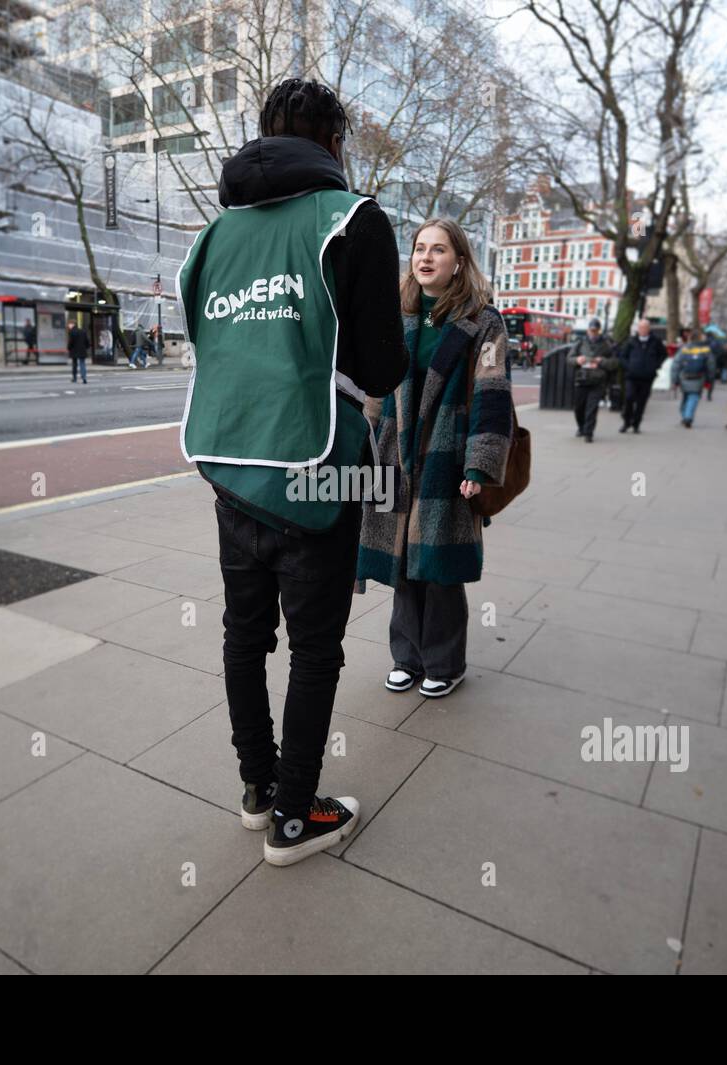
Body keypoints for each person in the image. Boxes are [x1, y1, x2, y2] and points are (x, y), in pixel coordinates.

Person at [178, 77, 407, 866]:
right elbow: (381, 369)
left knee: (245, 635)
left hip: (229, 465)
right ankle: (294, 817)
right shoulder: (353, 219)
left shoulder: (213, 237)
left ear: (265, 137)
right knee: (315, 648)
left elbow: (210, 343)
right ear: (334, 143)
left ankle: (255, 790)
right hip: (314, 467)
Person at [358, 217, 511, 704]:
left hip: (447, 450)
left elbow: (492, 392)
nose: (425, 257)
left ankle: (445, 663)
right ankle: (407, 657)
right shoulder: (396, 312)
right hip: (395, 452)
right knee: (403, 559)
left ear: (459, 261)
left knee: (439, 564)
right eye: (420, 248)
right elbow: (376, 389)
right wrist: (364, 447)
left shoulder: (482, 319)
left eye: (438, 250)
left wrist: (479, 466)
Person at [567, 317, 618, 442]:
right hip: (582, 380)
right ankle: (581, 427)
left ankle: (588, 433)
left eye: (595, 331)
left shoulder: (607, 344)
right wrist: (577, 360)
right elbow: (569, 358)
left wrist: (602, 362)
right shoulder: (580, 342)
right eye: (591, 330)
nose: (593, 333)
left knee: (592, 408)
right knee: (579, 408)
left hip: (598, 381)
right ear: (588, 330)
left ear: (599, 331)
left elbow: (614, 362)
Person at [618, 317, 667, 433]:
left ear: (649, 329)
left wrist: (655, 365)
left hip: (647, 377)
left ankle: (636, 424)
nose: (643, 329)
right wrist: (628, 366)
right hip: (632, 376)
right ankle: (626, 421)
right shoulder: (631, 341)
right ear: (637, 329)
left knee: (641, 401)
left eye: (645, 327)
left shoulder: (656, 341)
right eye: (640, 327)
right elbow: (622, 356)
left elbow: (663, 355)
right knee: (629, 398)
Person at [671, 335, 715, 427]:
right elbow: (711, 366)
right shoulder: (706, 350)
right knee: (693, 397)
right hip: (698, 378)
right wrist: (710, 379)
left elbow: (676, 365)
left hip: (684, 377)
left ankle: (685, 415)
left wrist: (674, 379)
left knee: (685, 397)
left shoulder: (684, 349)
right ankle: (688, 417)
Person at [67, 318, 89, 383]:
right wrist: (86, 347)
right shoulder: (82, 331)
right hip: (82, 350)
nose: (68, 326)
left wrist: (68, 348)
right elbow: (87, 341)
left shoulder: (72, 332)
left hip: (74, 350)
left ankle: (74, 378)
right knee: (82, 364)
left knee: (74, 364)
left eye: (69, 324)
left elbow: (71, 342)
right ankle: (84, 377)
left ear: (72, 324)